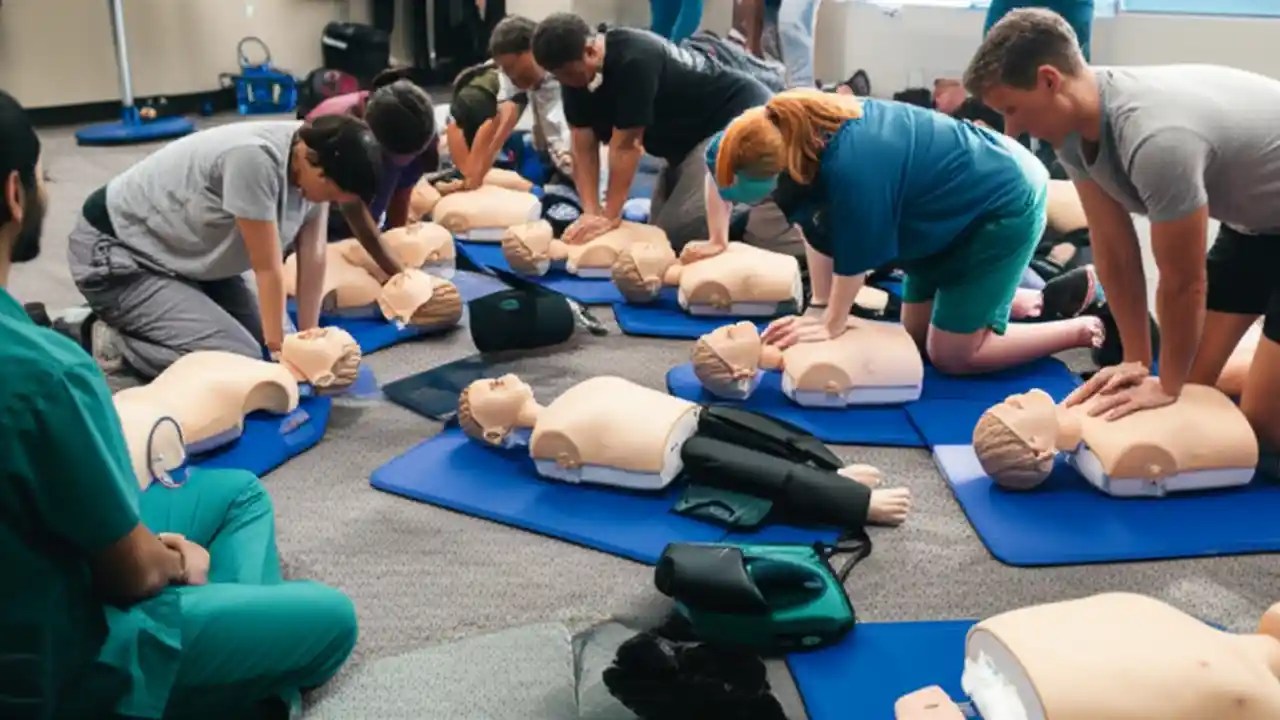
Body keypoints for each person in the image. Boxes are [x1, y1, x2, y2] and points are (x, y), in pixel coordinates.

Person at [0, 90, 356, 719]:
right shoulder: (50, 376)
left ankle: (238, 657)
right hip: (66, 656)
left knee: (238, 492)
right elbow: (130, 575)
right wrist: (166, 555)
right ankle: (246, 685)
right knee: (331, 620)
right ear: (14, 194)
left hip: (63, 559)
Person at [964, 9, 1280, 459]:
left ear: (1050, 81)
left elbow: (1183, 280)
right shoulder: (1071, 132)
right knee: (1193, 389)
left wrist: (1165, 384)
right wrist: (1136, 362)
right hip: (1259, 227)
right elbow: (1114, 251)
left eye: (1011, 109)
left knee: (1264, 427)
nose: (1011, 128)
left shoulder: (1156, 138)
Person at [706, 89, 1103, 375]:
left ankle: (1083, 329)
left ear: (774, 169)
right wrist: (818, 305)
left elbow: (854, 255)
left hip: (1002, 199)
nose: (743, 205)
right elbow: (815, 228)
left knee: (951, 356)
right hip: (939, 208)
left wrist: (832, 322)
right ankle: (1027, 302)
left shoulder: (852, 166)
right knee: (913, 339)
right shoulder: (763, 135)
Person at [68, 116, 387, 379]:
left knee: (267, 347)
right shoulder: (256, 158)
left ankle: (167, 316)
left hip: (182, 257)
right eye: (330, 193)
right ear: (311, 161)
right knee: (242, 360)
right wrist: (281, 352)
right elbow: (267, 267)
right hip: (117, 256)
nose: (327, 203)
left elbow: (313, 256)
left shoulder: (317, 161)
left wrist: (308, 337)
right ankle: (110, 344)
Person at [531, 13, 797, 254]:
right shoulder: (574, 75)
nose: (566, 83)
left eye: (567, 74)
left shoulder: (634, 58)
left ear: (590, 51)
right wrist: (590, 213)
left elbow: (626, 146)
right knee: (657, 230)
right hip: (683, 143)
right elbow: (583, 145)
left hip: (732, 120)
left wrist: (609, 216)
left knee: (680, 233)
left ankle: (769, 207)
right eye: (559, 76)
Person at [306, 66, 441, 240]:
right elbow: (312, 213)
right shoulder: (329, 131)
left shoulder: (422, 129)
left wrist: (398, 240)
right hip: (316, 208)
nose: (406, 162)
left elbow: (401, 194)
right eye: (398, 159)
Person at [458, 15, 573, 189]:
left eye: (511, 68)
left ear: (534, 49)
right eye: (505, 70)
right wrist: (476, 175)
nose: (512, 77)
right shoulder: (515, 78)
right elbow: (502, 120)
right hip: (550, 157)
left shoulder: (569, 73)